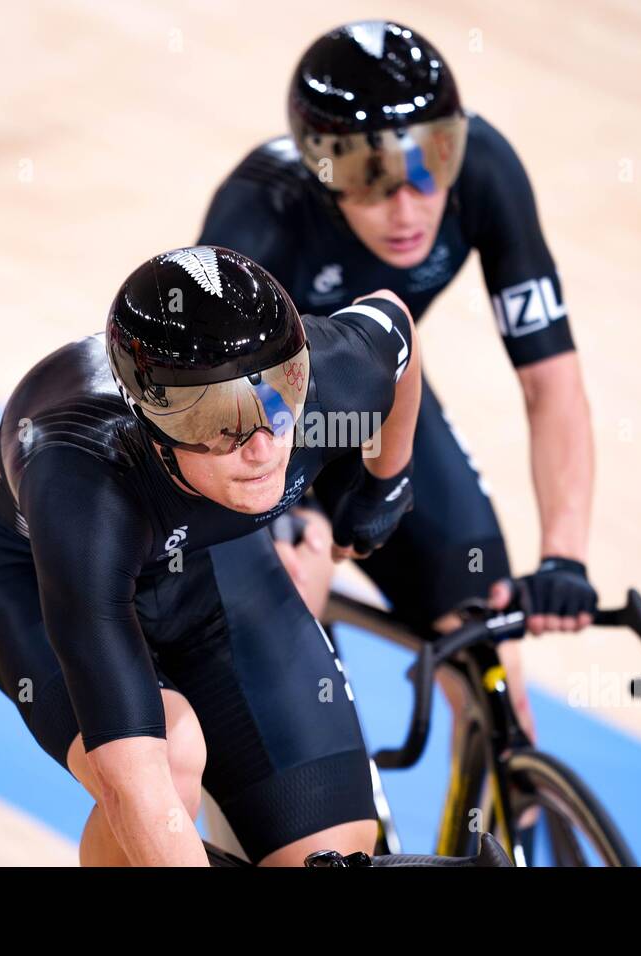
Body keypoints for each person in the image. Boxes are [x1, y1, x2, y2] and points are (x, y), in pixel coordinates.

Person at [197, 20, 599, 747]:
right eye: (370, 182)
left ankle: (512, 820)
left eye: (429, 168)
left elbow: (552, 380)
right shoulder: (260, 216)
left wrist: (564, 554)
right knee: (290, 610)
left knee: (492, 662)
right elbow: (212, 418)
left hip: (384, 402)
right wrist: (288, 516)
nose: (408, 210)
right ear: (322, 172)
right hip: (260, 431)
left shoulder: (485, 172)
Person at [0, 245, 421, 865]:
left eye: (280, 397)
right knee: (170, 755)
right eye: (218, 422)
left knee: (328, 854)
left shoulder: (335, 378)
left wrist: (387, 479)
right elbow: (134, 784)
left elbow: (395, 323)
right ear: (153, 422)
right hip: (34, 583)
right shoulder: (80, 479)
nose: (261, 448)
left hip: (205, 565)